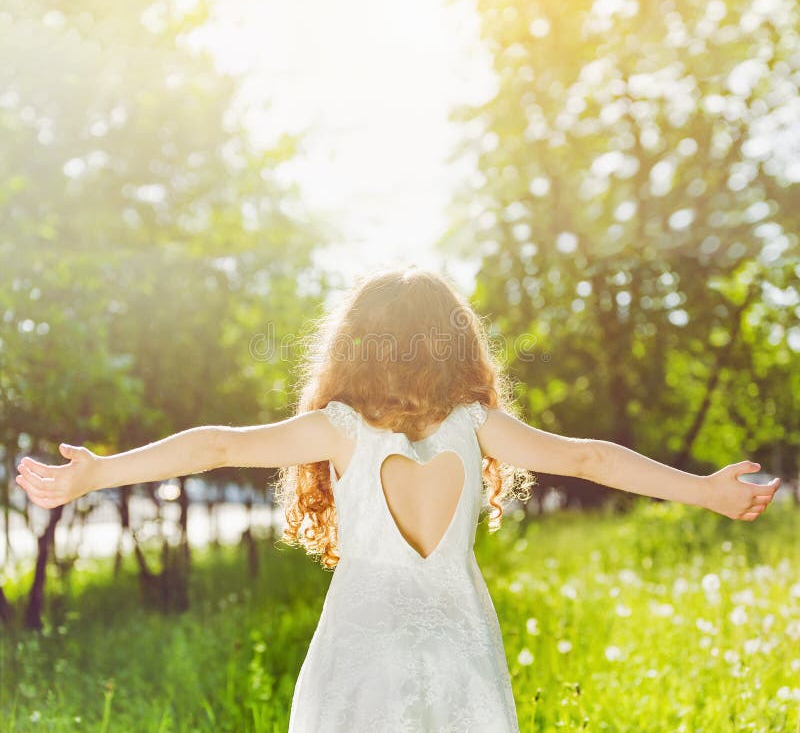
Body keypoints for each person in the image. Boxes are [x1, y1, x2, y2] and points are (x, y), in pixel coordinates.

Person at [15, 265, 780, 733]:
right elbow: (590, 458)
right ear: (459, 346)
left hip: (361, 646)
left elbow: (215, 444)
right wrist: (704, 492)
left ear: (354, 344)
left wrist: (98, 473)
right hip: (458, 648)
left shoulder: (339, 428)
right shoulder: (477, 427)